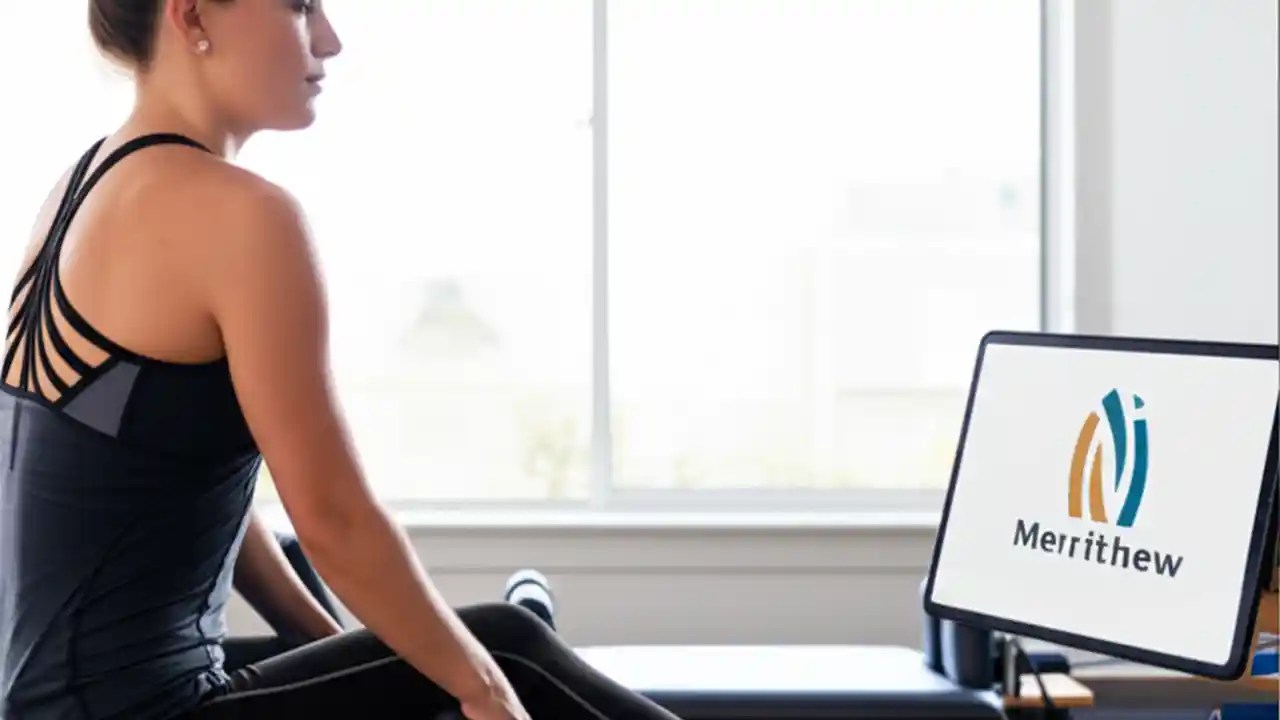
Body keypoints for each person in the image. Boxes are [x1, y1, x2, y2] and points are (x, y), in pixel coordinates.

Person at [0, 1, 682, 718]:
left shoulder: (79, 190)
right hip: (154, 710)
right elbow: (334, 518)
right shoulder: (240, 214)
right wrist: (482, 692)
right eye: (299, 6)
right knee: (508, 647)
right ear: (194, 14)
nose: (329, 38)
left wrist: (342, 650)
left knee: (463, 652)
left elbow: (170, 482)